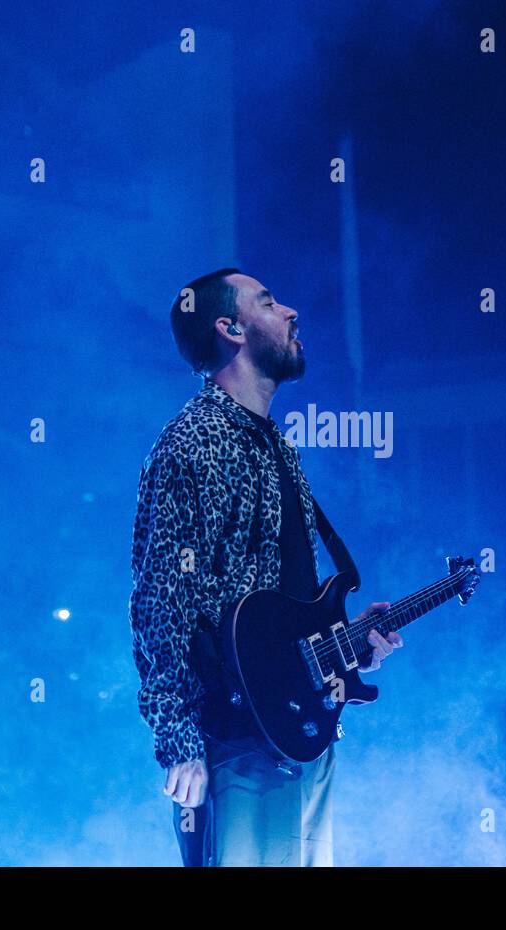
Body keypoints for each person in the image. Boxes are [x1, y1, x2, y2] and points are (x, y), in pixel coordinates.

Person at [129, 268, 403, 866]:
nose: (291, 312)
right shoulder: (189, 446)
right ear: (229, 329)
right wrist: (177, 741)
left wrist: (346, 642)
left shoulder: (278, 446)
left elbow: (286, 608)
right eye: (269, 301)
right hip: (240, 742)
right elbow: (158, 605)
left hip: (304, 735)